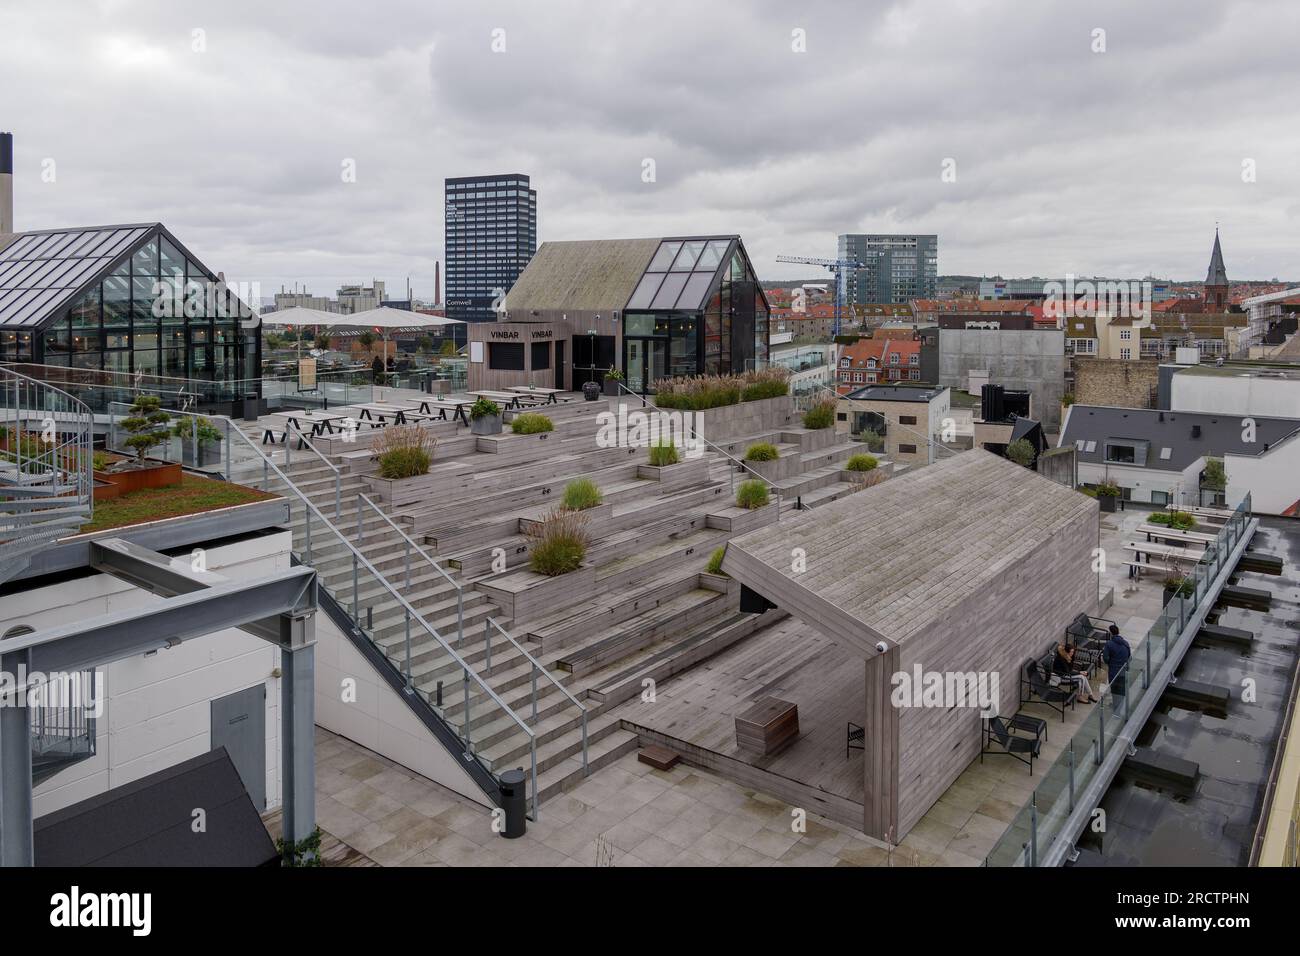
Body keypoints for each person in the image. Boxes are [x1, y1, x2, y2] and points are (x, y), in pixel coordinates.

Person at [1102, 624, 1132, 715]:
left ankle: (1116, 711)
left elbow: (1105, 658)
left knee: (1115, 690)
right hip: (1124, 671)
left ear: (1111, 633)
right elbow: (1130, 657)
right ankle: (1119, 708)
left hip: (1114, 671)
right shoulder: (1126, 643)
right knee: (1122, 691)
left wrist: (1111, 662)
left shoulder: (1109, 644)